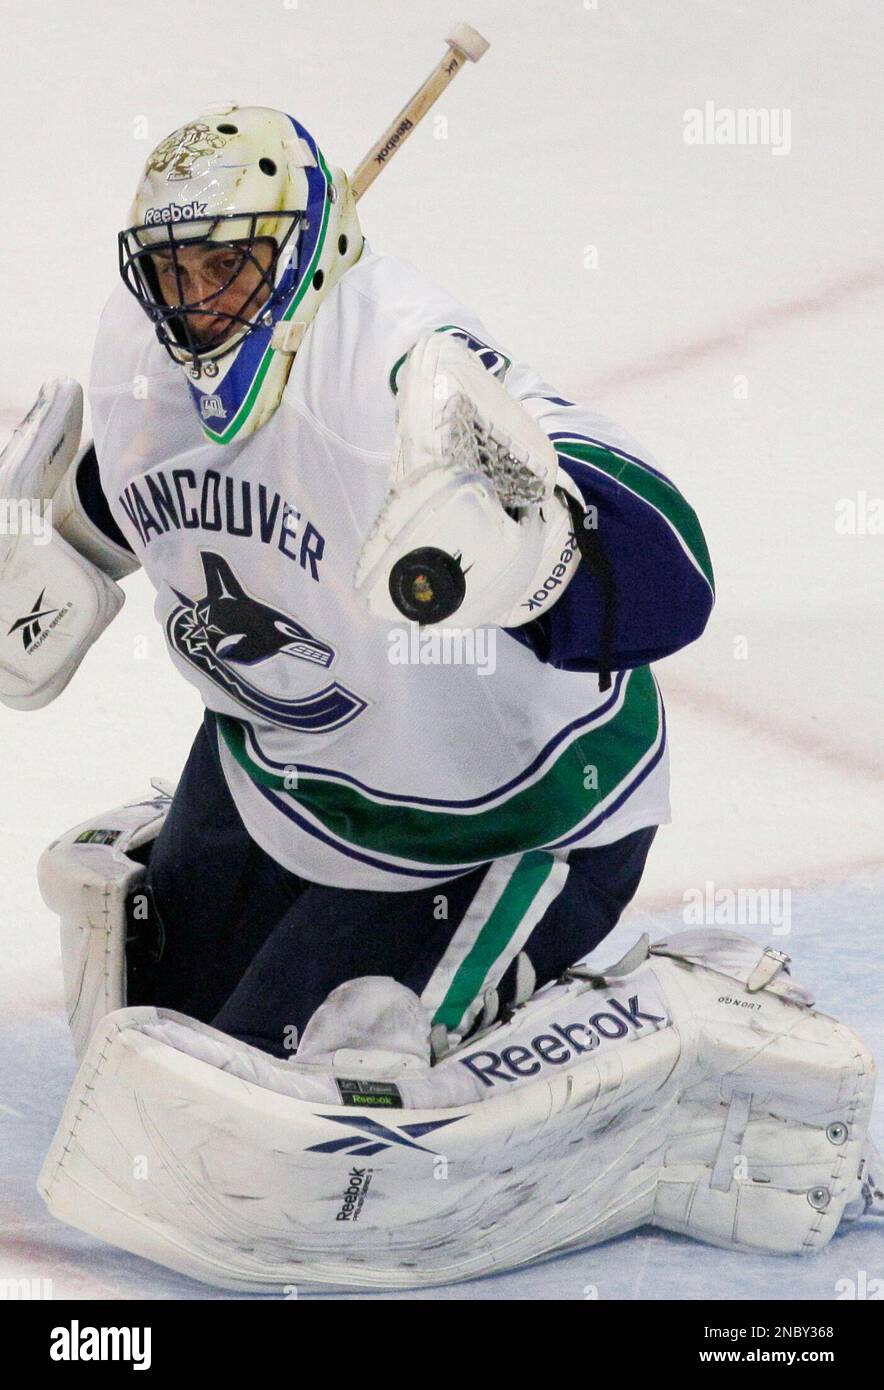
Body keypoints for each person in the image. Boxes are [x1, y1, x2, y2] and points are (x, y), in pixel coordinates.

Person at [33, 105, 717, 1057]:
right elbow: (142, 474)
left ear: (307, 251)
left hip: (503, 819)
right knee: (147, 1036)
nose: (195, 305)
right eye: (172, 272)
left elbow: (673, 573)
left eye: (225, 267)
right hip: (281, 772)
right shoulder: (142, 356)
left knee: (253, 1111)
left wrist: (540, 550)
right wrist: (56, 540)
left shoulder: (397, 369)